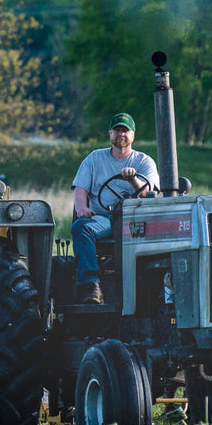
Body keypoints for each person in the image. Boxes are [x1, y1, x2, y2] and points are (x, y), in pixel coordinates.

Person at [70, 112, 160, 304]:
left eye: (125, 131)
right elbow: (80, 189)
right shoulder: (94, 159)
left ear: (133, 135)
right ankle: (90, 286)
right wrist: (82, 209)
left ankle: (154, 288)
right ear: (110, 133)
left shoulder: (143, 161)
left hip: (135, 221)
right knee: (81, 227)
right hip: (104, 219)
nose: (121, 134)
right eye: (117, 130)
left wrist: (133, 179)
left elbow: (149, 194)